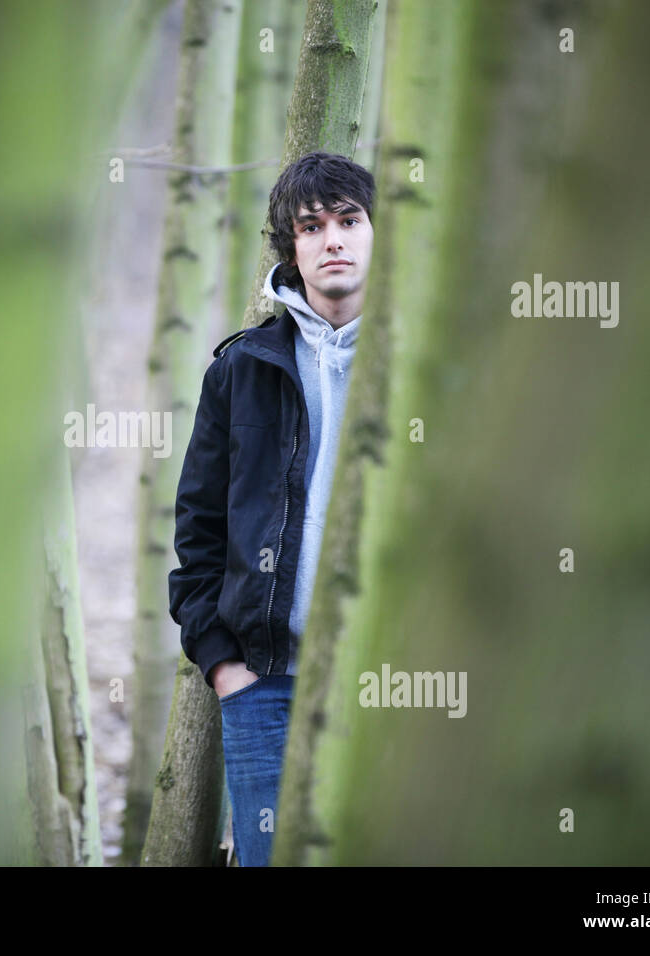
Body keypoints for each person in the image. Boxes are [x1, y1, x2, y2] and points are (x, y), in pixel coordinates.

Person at [167, 151, 376, 866]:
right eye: (312, 227)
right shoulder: (242, 370)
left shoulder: (418, 361)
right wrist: (223, 661)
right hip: (265, 681)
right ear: (291, 246)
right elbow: (197, 532)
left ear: (377, 234)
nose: (334, 240)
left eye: (349, 220)